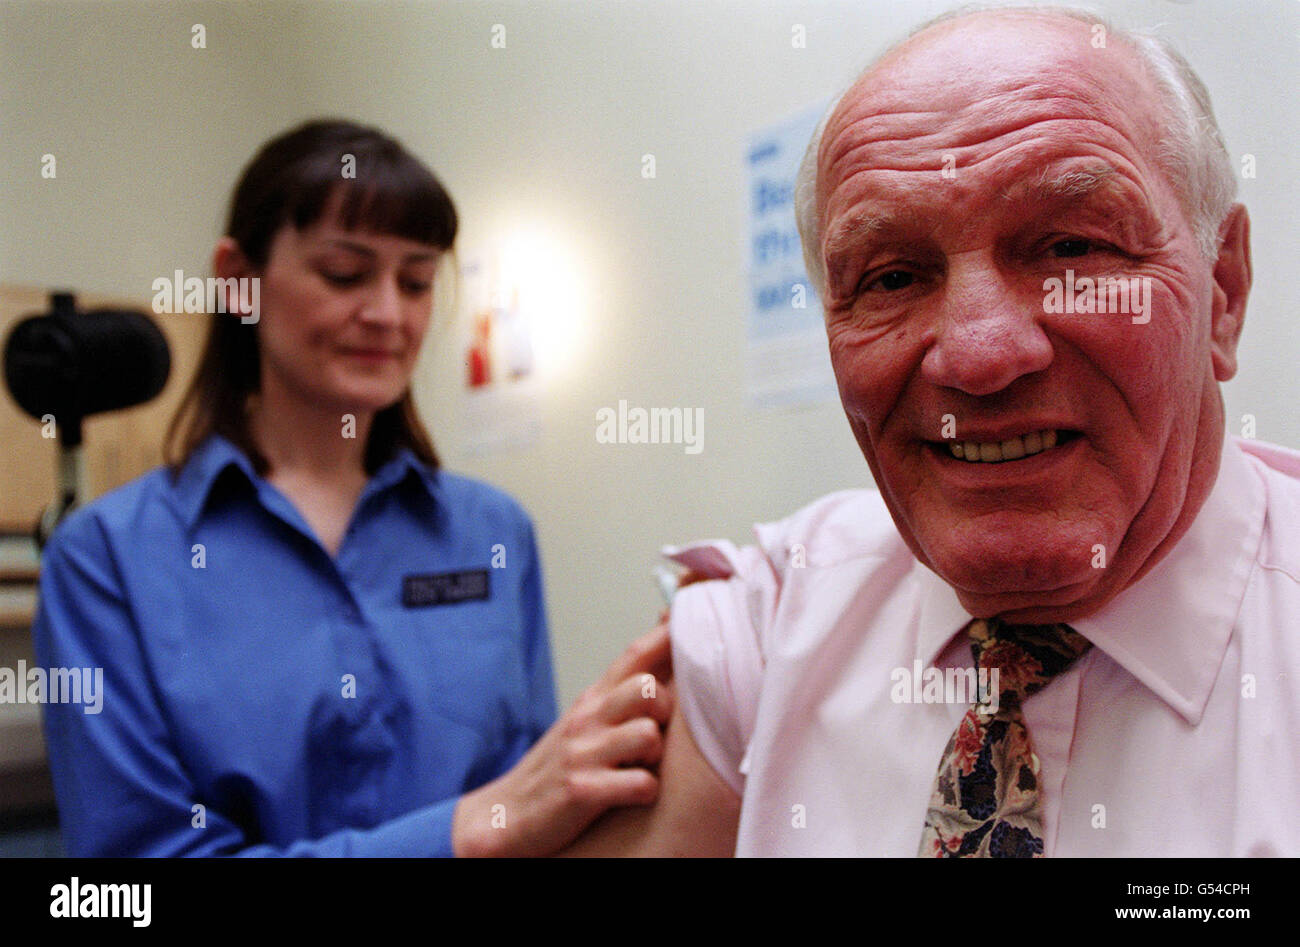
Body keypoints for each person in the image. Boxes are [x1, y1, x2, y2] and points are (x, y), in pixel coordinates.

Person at [560, 5, 1300, 857]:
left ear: (1226, 291)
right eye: (894, 276)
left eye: (1069, 245)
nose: (980, 354)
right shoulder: (764, 643)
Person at [32, 119, 672, 857]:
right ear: (239, 279)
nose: (387, 315)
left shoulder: (493, 532)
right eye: (344, 273)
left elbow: (540, 800)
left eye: (417, 281)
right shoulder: (106, 560)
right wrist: (467, 829)